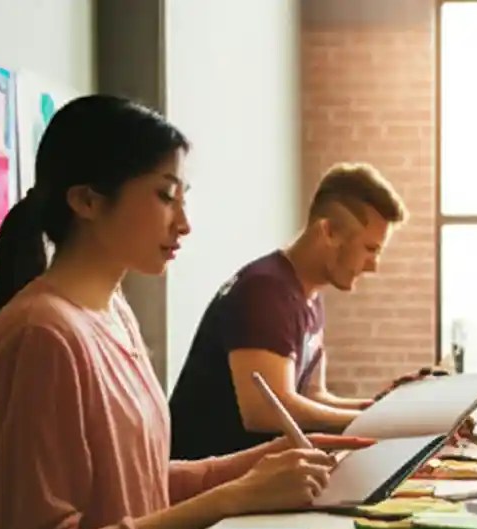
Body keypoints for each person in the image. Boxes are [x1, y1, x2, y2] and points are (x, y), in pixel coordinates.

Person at [0, 95, 371, 529]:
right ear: (86, 201)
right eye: (164, 195)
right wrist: (227, 500)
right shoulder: (41, 336)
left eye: (183, 198)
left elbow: (132, 486)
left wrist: (257, 466)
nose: (184, 223)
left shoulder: (113, 313)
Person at [169, 163, 407, 460]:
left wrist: (379, 409)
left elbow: (312, 396)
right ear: (329, 231)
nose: (374, 265)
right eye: (370, 249)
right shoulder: (265, 290)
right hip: (209, 475)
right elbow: (265, 411)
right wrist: (381, 424)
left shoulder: (309, 295)